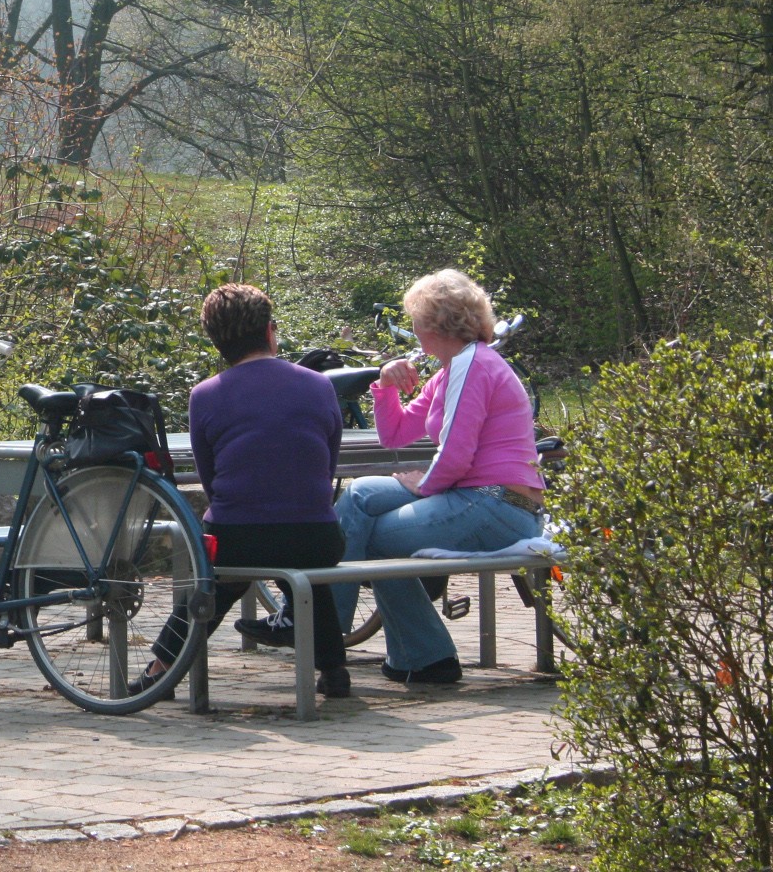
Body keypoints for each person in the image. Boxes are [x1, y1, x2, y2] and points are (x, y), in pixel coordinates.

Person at [130, 283, 353, 699]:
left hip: (240, 534)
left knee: (212, 581)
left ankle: (163, 667)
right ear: (271, 331)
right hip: (318, 536)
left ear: (216, 342)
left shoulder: (205, 395)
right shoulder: (319, 386)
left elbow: (210, 478)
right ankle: (334, 670)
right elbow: (327, 464)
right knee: (302, 564)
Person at [330, 269, 543, 685]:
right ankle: (403, 650)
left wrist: (424, 487)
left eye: (414, 320)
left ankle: (396, 648)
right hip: (480, 498)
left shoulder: (474, 366)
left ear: (432, 323)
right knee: (358, 496)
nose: (412, 328)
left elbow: (457, 454)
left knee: (373, 538)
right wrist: (385, 384)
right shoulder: (451, 369)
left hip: (499, 504)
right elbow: (395, 435)